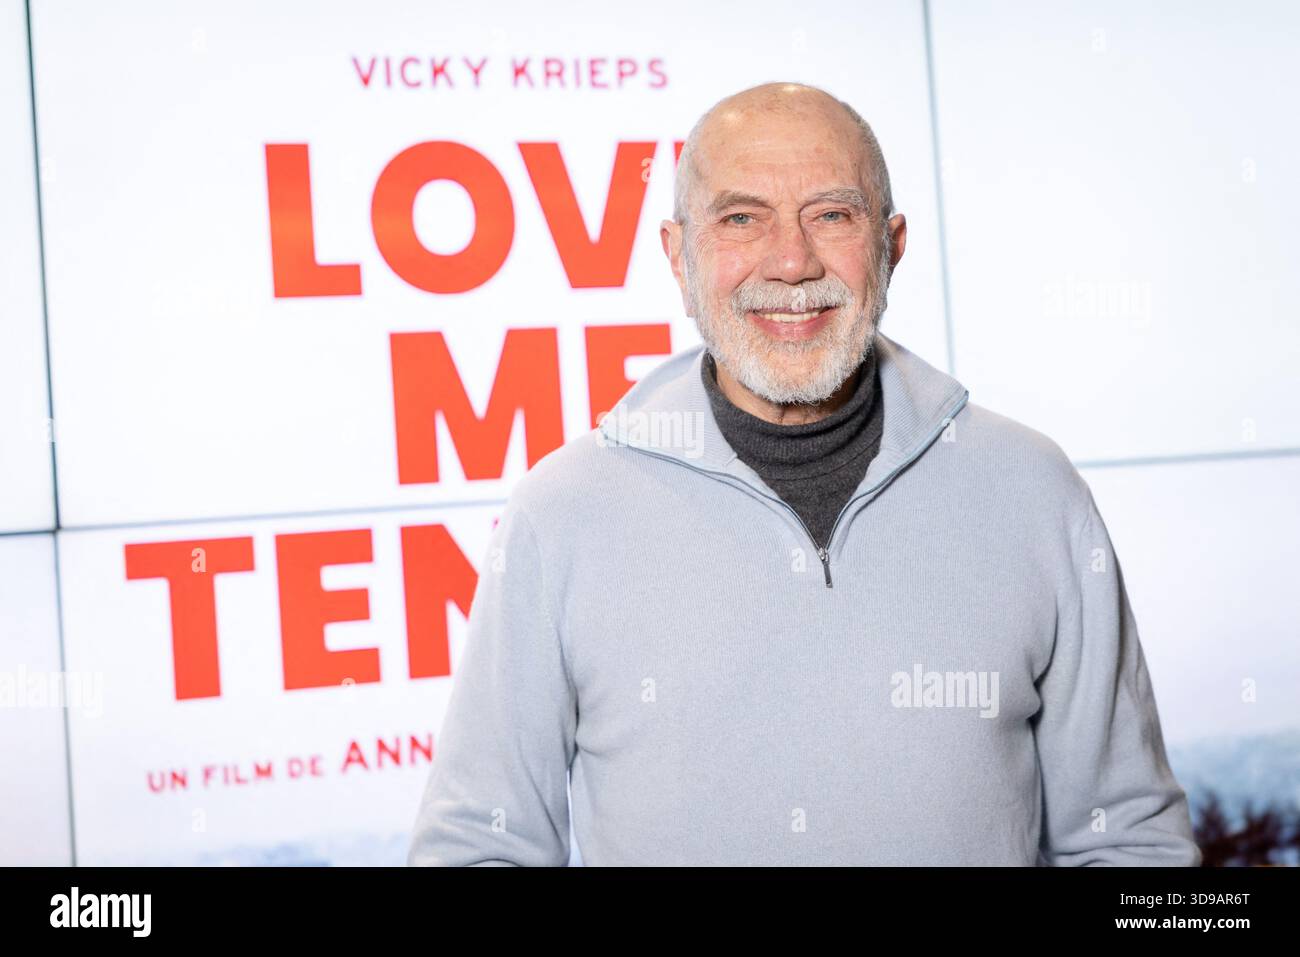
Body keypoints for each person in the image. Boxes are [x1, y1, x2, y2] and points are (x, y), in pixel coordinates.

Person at [406, 81, 1200, 866]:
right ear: (679, 257)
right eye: (742, 218)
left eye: (831, 214)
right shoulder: (561, 514)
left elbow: (1132, 846)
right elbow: (477, 848)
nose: (791, 261)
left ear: (890, 246)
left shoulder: (1034, 489)